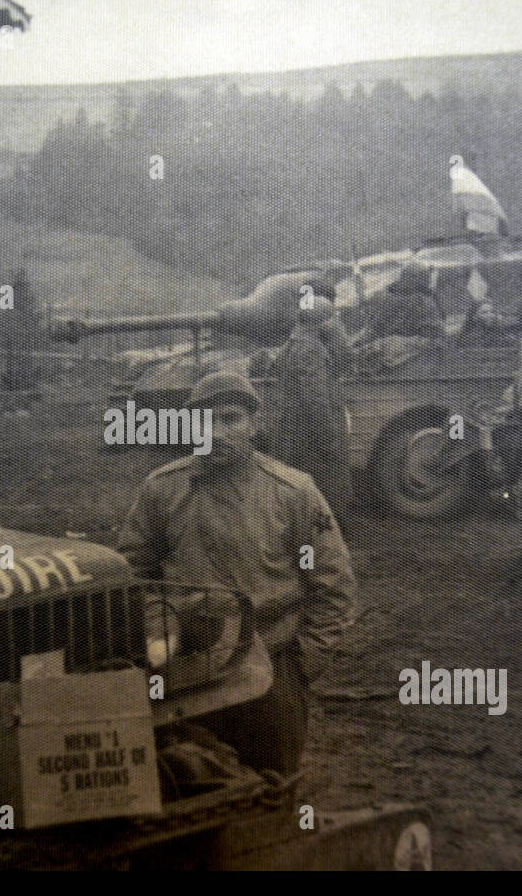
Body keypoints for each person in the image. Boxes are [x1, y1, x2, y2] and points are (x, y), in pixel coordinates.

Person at [116, 370, 356, 777]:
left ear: (253, 425)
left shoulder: (293, 491)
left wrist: (302, 663)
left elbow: (333, 588)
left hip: (271, 667)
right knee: (189, 783)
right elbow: (133, 575)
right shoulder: (163, 490)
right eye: (206, 420)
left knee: (273, 787)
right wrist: (161, 636)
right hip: (187, 672)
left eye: (231, 419)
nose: (218, 432)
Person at [269, 293, 355, 517]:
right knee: (328, 488)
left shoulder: (294, 342)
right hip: (311, 434)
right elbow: (316, 399)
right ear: (323, 323)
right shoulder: (311, 349)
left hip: (296, 431)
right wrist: (330, 439)